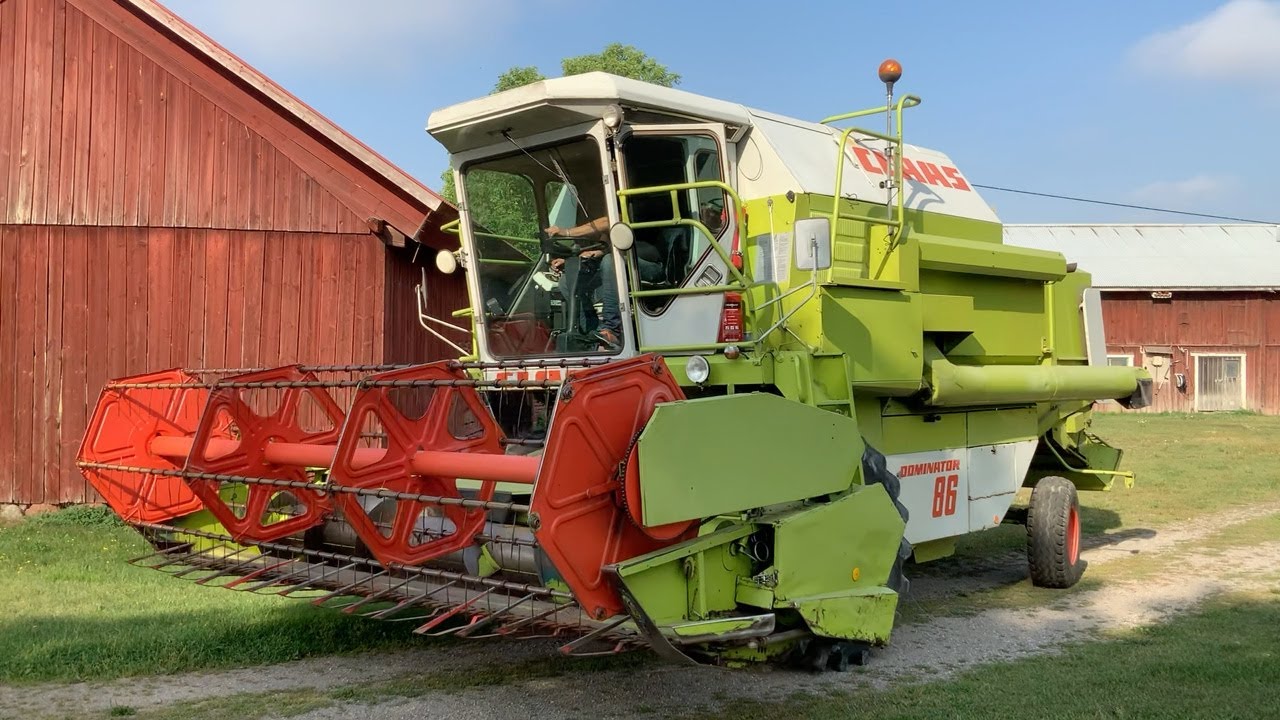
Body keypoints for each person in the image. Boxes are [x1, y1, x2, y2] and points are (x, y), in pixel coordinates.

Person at [543, 216, 665, 350]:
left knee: (610, 262)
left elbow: (609, 222)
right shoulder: (606, 231)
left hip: (649, 265)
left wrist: (566, 232)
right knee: (566, 281)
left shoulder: (621, 209)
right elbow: (604, 246)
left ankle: (612, 330)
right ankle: (591, 331)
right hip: (617, 261)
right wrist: (573, 262)